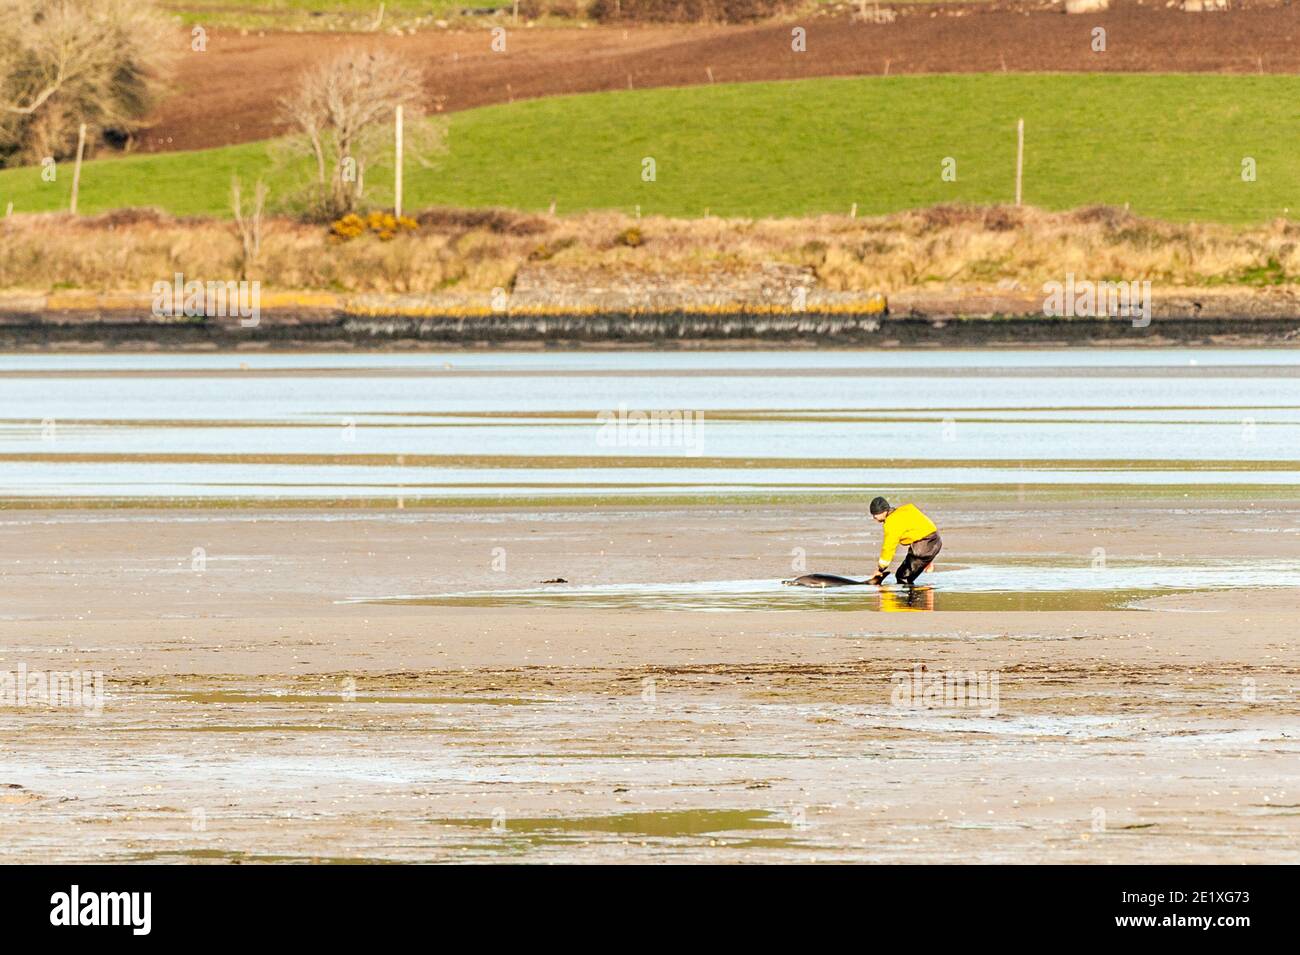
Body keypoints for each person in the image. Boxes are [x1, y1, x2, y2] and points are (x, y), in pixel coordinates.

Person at [868, 496, 942, 585]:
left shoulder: (891, 524)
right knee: (906, 573)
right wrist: (928, 559)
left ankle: (913, 598)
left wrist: (880, 570)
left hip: (924, 547)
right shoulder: (906, 509)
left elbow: (888, 548)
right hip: (936, 540)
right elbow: (921, 529)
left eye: (875, 514)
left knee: (902, 576)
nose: (874, 517)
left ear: (883, 512)